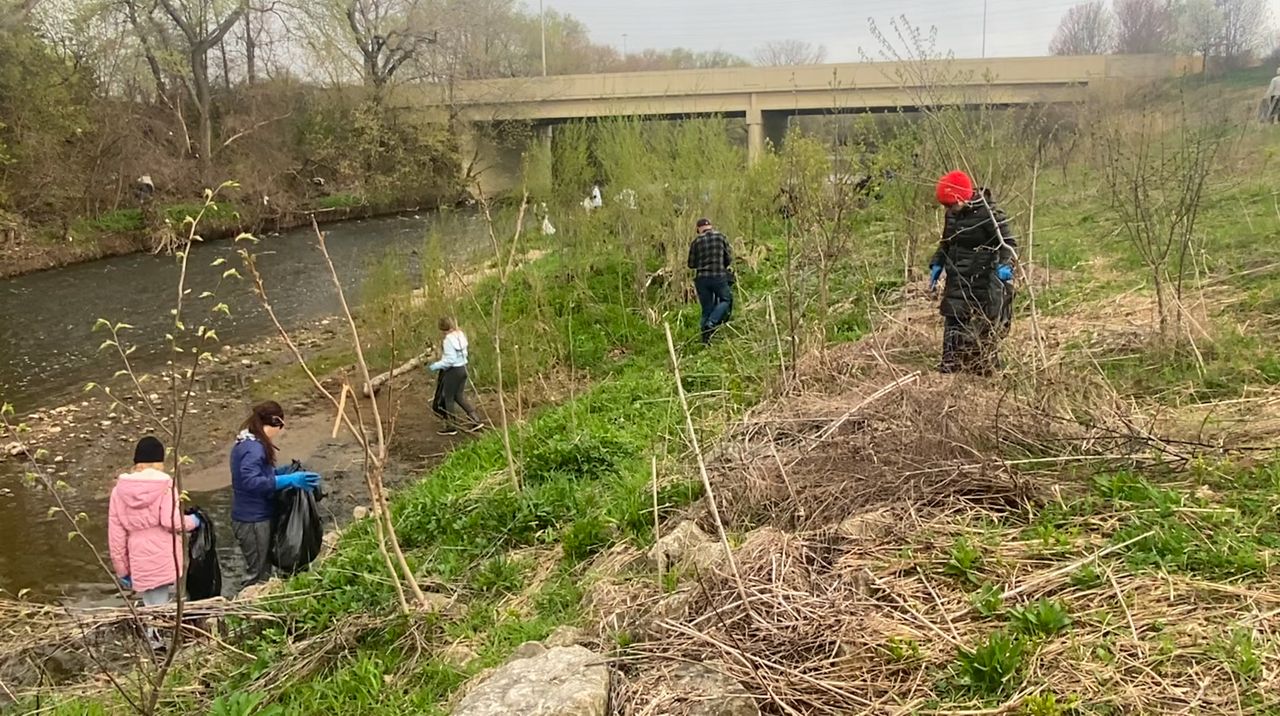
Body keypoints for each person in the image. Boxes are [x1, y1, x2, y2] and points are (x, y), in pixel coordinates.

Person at [928, 170, 1017, 375]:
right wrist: (937, 262)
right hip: (957, 277)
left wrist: (1005, 265)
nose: (949, 209)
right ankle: (949, 369)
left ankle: (982, 372)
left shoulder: (989, 214)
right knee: (953, 321)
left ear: (962, 197)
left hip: (983, 279)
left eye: (951, 204)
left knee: (982, 327)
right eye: (946, 206)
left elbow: (1009, 244)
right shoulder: (952, 214)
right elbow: (947, 242)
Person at [229, 401, 319, 589]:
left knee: (264, 568)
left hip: (255, 516)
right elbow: (251, 482)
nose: (280, 432)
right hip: (252, 520)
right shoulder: (253, 449)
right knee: (258, 573)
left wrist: (281, 473)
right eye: (280, 427)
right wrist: (289, 480)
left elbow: (260, 475)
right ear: (275, 423)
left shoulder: (248, 442)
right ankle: (248, 603)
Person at [109, 436, 200, 612]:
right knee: (161, 603)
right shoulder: (165, 485)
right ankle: (161, 629)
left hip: (138, 554)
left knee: (150, 601)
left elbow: (116, 537)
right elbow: (171, 521)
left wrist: (122, 570)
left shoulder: (118, 491)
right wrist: (193, 521)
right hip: (162, 552)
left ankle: (152, 627)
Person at [429, 317, 484, 436]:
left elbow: (450, 360)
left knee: (448, 398)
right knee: (459, 396)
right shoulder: (460, 335)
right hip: (463, 368)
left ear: (442, 329)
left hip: (453, 371)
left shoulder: (448, 340)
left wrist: (436, 365)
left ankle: (452, 426)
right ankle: (475, 419)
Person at [687, 217, 735, 345]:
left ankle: (705, 340)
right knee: (726, 300)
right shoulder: (720, 237)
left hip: (702, 280)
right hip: (718, 276)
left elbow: (691, 264)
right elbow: (728, 259)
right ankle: (712, 322)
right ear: (710, 226)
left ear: (698, 229)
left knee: (706, 309)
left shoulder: (696, 242)